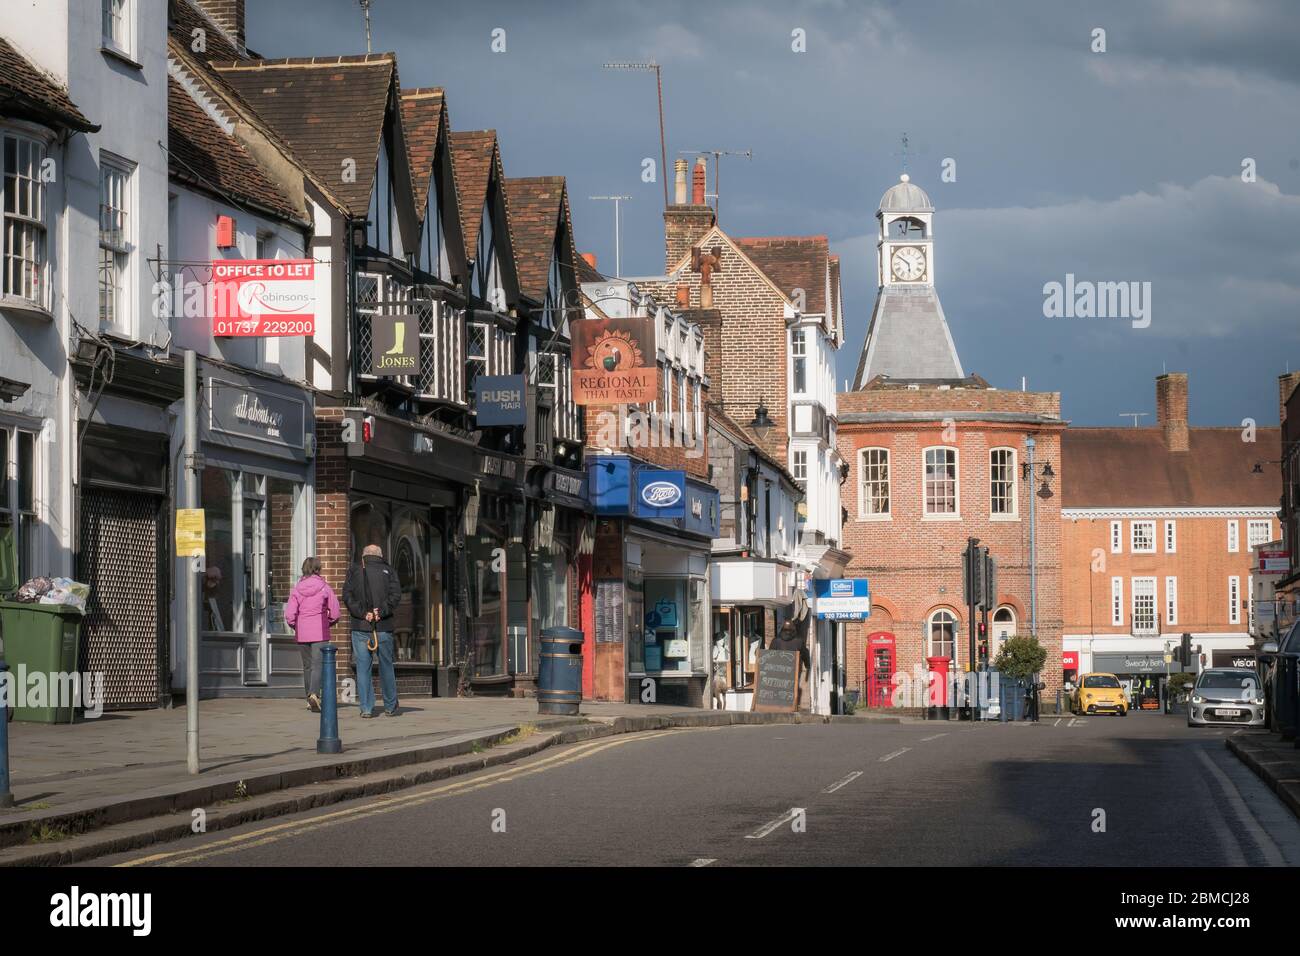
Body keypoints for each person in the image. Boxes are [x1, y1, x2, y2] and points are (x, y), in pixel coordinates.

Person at [343, 544, 402, 717]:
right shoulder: (389, 571)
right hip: (383, 626)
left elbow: (347, 596)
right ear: (380, 555)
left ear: (364, 555)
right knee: (386, 666)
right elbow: (396, 595)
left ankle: (366, 708)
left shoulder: (354, 571)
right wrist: (381, 611)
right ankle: (390, 706)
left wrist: (363, 613)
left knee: (362, 668)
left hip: (361, 627)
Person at [284, 556, 340, 713]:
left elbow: (289, 614)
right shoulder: (325, 587)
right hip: (319, 631)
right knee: (318, 665)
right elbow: (335, 612)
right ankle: (314, 694)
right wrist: (328, 622)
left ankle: (309, 698)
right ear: (318, 569)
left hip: (302, 632)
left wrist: (297, 625)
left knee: (307, 666)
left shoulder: (297, 589)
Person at [769, 620, 811, 708]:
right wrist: (807, 665)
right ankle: (791, 706)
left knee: (778, 688)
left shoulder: (776, 641)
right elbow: (805, 654)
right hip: (793, 672)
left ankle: (779, 705)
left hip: (777, 673)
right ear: (793, 630)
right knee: (792, 688)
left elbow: (769, 656)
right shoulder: (798, 642)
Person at [711, 631, 729, 710]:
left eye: (723, 639)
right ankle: (719, 704)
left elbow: (728, 661)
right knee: (716, 687)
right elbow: (711, 660)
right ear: (716, 641)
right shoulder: (714, 649)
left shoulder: (725, 650)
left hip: (724, 674)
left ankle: (722, 705)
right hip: (717, 674)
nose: (722, 641)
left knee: (723, 688)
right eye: (720, 639)